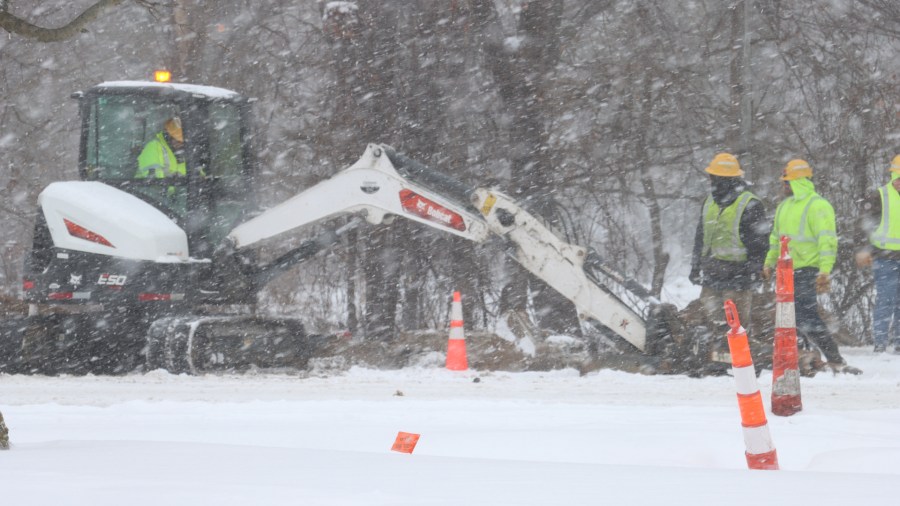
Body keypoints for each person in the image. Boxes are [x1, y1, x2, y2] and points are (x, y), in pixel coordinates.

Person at [762, 159, 861, 374]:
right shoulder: (784, 207)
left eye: (786, 182)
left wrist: (824, 270)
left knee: (805, 315)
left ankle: (834, 359)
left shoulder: (818, 206)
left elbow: (827, 241)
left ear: (796, 182)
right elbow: (774, 239)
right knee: (788, 316)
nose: (783, 186)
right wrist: (769, 263)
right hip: (785, 270)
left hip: (807, 269)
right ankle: (802, 357)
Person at [689, 153, 769, 337]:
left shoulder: (749, 204)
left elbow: (759, 245)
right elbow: (700, 237)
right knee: (713, 327)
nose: (711, 181)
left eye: (714, 177)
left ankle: (739, 364)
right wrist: (695, 266)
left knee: (736, 329)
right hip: (713, 275)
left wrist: (751, 272)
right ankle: (716, 363)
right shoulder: (709, 202)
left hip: (738, 278)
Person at [854, 155, 900, 353]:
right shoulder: (880, 196)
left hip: (887, 258)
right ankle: (880, 344)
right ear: (892, 175)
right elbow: (864, 225)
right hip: (884, 258)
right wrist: (864, 249)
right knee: (885, 300)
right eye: (897, 176)